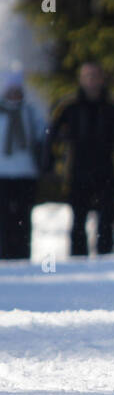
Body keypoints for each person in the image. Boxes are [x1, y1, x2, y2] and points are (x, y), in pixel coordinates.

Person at [43, 61, 114, 256]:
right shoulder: (67, 106)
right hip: (77, 171)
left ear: (102, 79)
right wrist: (49, 162)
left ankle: (105, 257)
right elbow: (51, 136)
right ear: (80, 79)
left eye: (95, 76)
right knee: (78, 219)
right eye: (87, 76)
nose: (91, 81)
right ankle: (78, 260)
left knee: (106, 219)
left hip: (106, 170)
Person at [0, 70, 46, 260]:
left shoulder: (31, 112)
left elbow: (42, 137)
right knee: (3, 217)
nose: (14, 94)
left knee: (23, 216)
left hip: (26, 172)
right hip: (2, 173)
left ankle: (22, 252)